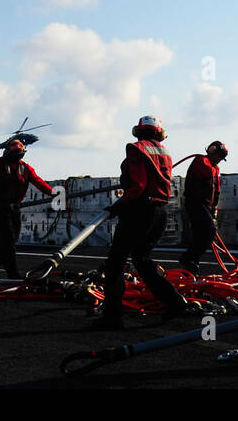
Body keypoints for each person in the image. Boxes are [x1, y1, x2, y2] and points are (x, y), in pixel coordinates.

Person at [92, 116, 190, 329]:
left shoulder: (137, 149)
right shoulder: (165, 152)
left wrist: (119, 205)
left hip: (140, 210)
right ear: (158, 132)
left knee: (116, 262)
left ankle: (113, 317)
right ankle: (174, 301)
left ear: (138, 131)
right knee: (142, 258)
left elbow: (138, 185)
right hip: (160, 210)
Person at [0, 139, 55, 279]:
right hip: (0, 209)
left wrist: (54, 193)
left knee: (8, 243)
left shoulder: (25, 168)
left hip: (15, 210)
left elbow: (39, 182)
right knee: (8, 244)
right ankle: (12, 274)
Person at [178, 140, 227, 274]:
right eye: (219, 156)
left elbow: (216, 190)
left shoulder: (215, 168)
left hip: (206, 206)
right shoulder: (201, 161)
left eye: (222, 157)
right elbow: (206, 173)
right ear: (212, 152)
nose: (220, 160)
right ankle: (188, 258)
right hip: (195, 203)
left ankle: (191, 266)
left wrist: (214, 209)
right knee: (210, 231)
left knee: (200, 235)